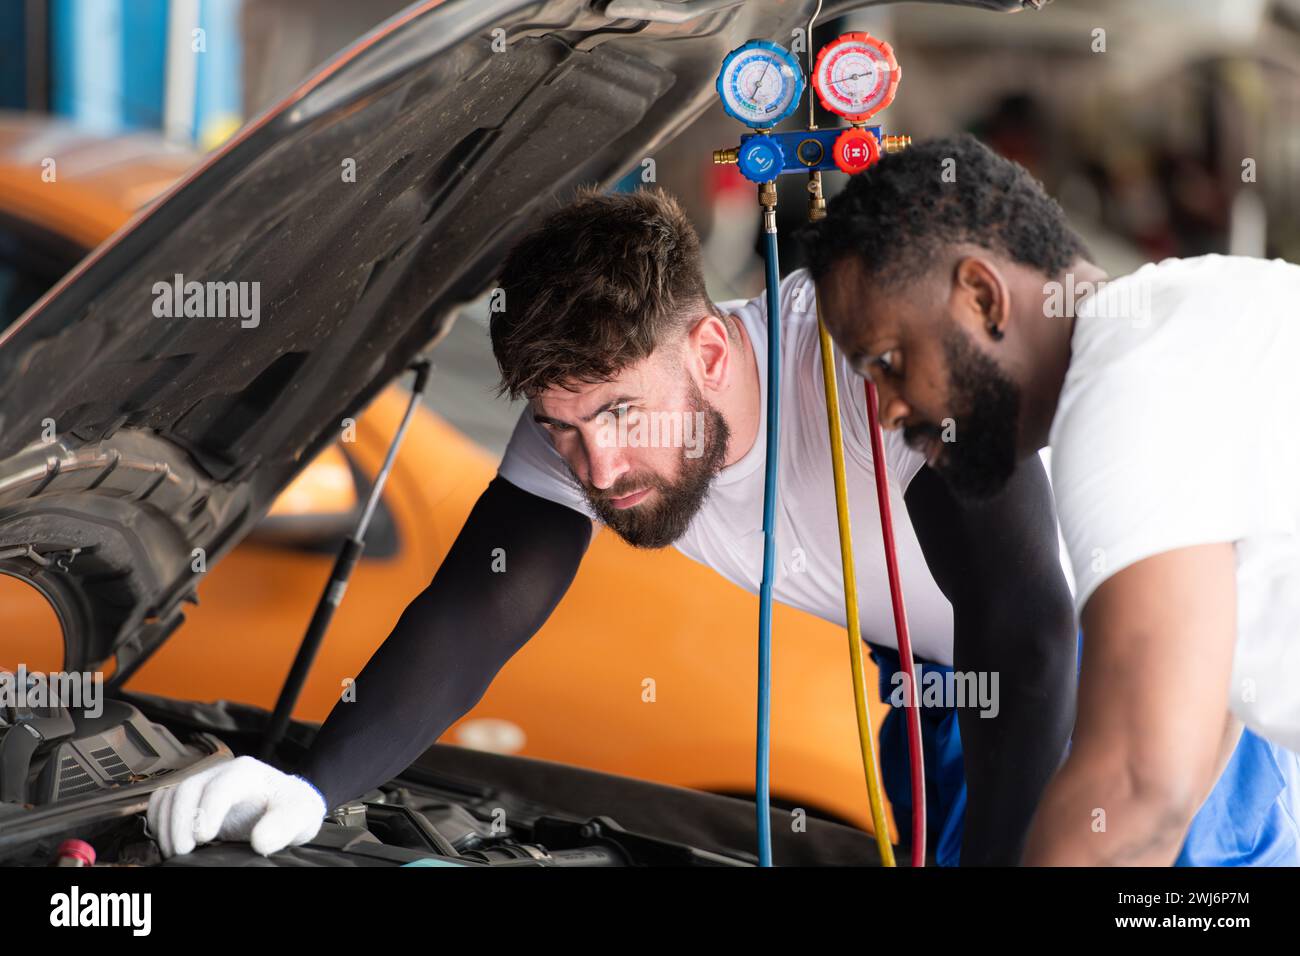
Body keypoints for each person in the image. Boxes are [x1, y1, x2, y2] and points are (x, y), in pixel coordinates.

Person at [148, 186, 1079, 865]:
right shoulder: (580, 419)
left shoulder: (863, 366)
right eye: (562, 428)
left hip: (1131, 663)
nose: (595, 468)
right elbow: (476, 614)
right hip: (951, 691)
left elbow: (1033, 631)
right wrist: (312, 785)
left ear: (708, 350)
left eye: (623, 418)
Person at [805, 133, 1300, 865]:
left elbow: (1138, 786)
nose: (885, 411)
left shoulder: (1127, 385)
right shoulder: (1188, 320)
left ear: (981, 296)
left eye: (888, 362)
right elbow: (1186, 756)